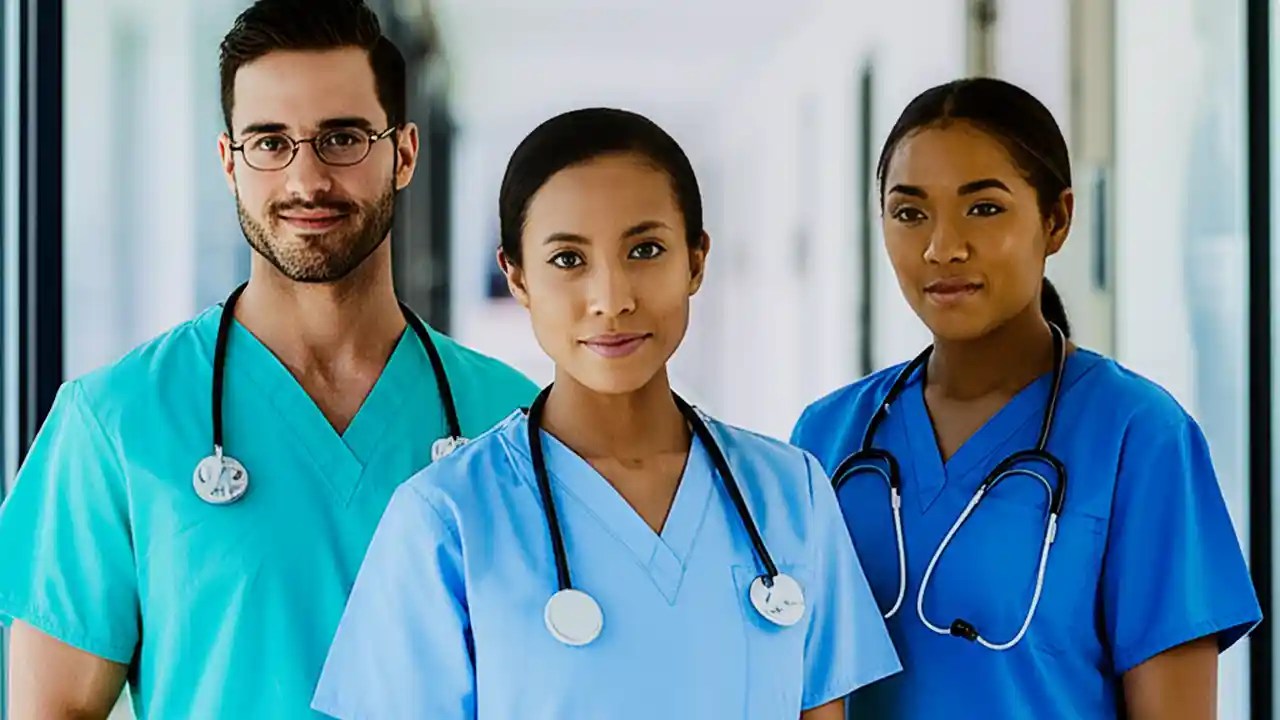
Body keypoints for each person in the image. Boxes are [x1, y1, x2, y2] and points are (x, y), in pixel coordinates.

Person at [0, 1, 537, 717]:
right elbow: (52, 709)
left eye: (342, 138)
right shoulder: (115, 422)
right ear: (229, 161)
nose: (305, 179)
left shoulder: (515, 420)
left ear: (404, 153)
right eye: (269, 141)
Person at [309, 107, 901, 719]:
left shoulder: (789, 493)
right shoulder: (446, 518)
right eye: (568, 259)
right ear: (516, 277)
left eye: (645, 250)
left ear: (696, 260)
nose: (612, 299)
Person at [790, 77, 1262, 719]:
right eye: (910, 212)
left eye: (983, 208)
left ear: (1057, 219)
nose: (941, 247)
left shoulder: (1137, 436)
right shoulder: (829, 439)